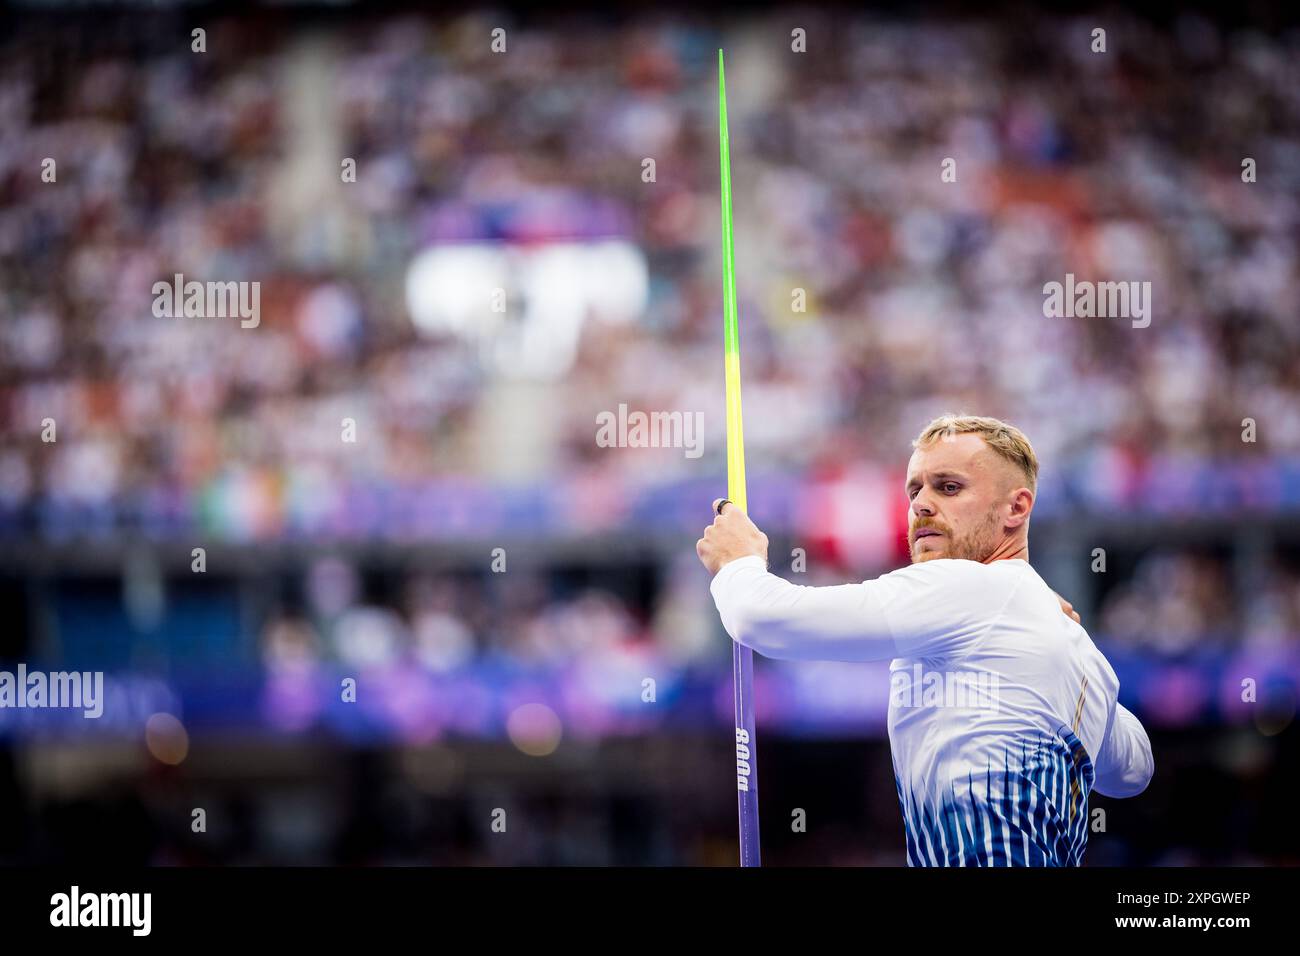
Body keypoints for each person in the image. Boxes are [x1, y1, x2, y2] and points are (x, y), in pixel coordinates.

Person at [697, 414, 1154, 865]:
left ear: (1016, 508)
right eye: (915, 489)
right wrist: (1063, 641)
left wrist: (738, 561)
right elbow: (1132, 771)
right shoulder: (1069, 643)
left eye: (949, 487)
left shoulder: (971, 587)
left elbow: (762, 618)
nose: (921, 504)